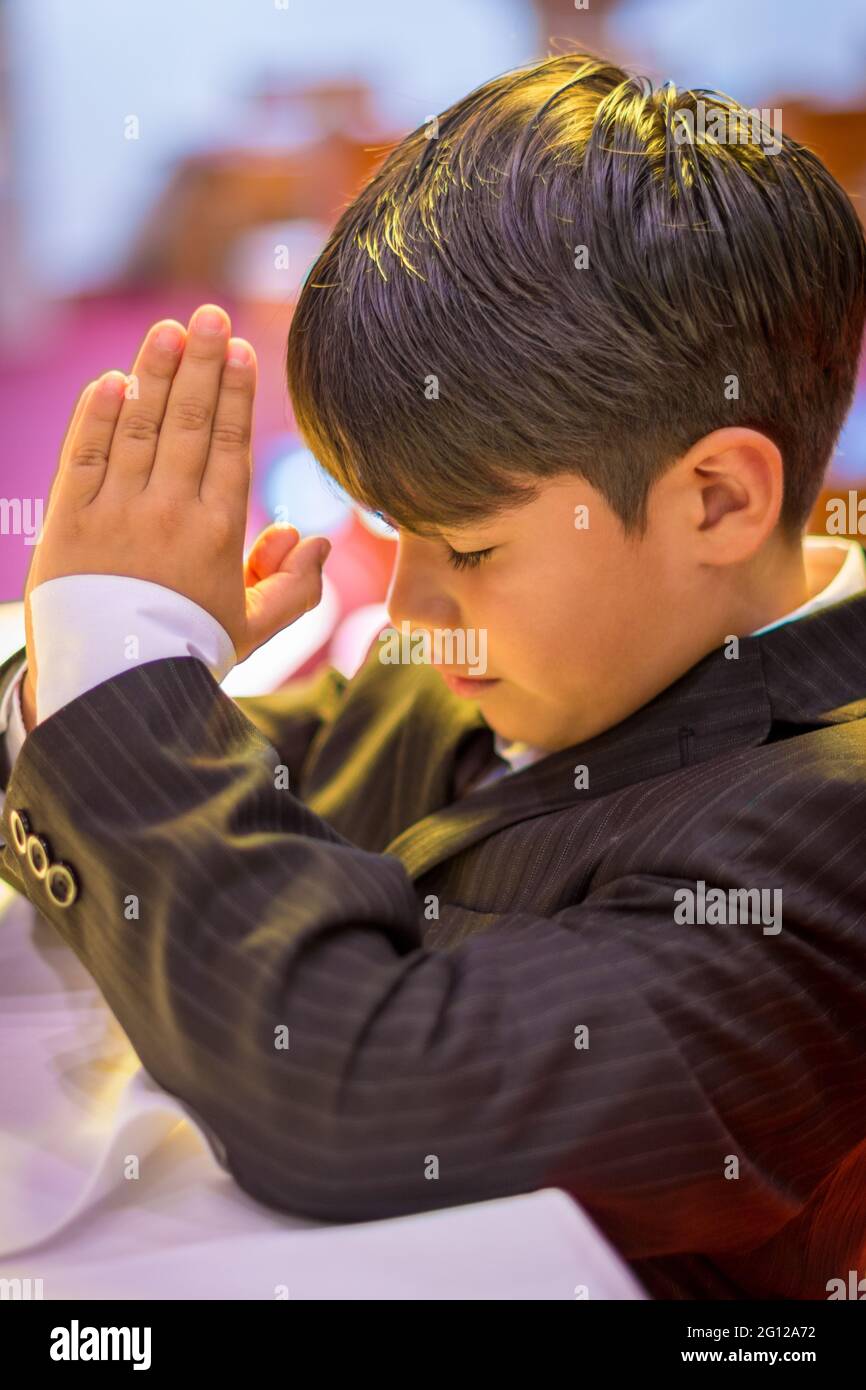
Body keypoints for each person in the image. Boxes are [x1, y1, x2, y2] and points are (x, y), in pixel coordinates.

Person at [2, 52, 866, 1301]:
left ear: (717, 499)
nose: (406, 612)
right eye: (392, 535)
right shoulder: (490, 661)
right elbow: (201, 817)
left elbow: (359, 1092)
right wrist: (75, 688)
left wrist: (125, 674)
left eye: (464, 546)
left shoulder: (831, 821)